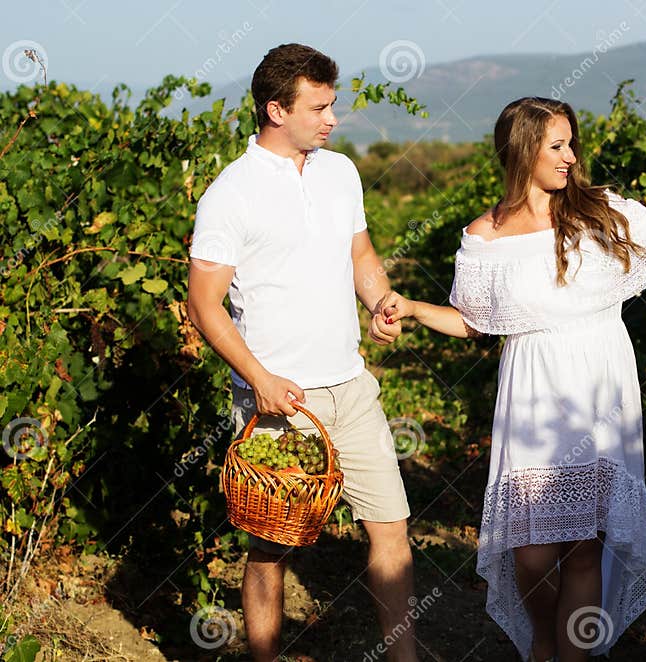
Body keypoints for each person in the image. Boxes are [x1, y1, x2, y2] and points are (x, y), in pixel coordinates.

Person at [377, 96, 646, 661]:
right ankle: (543, 642)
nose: (570, 155)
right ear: (523, 149)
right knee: (531, 556)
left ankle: (569, 656)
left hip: (598, 387)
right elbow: (472, 321)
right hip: (532, 394)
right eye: (557, 145)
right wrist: (411, 307)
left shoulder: (601, 211)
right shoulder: (485, 235)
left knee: (582, 547)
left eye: (570, 143)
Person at [187, 43, 417, 662]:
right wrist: (258, 378)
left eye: (332, 105)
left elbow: (361, 257)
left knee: (392, 530)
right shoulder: (230, 195)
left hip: (351, 386)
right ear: (275, 109)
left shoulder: (340, 172)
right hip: (280, 398)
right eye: (318, 107)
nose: (331, 119)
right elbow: (204, 303)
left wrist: (379, 302)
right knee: (271, 543)